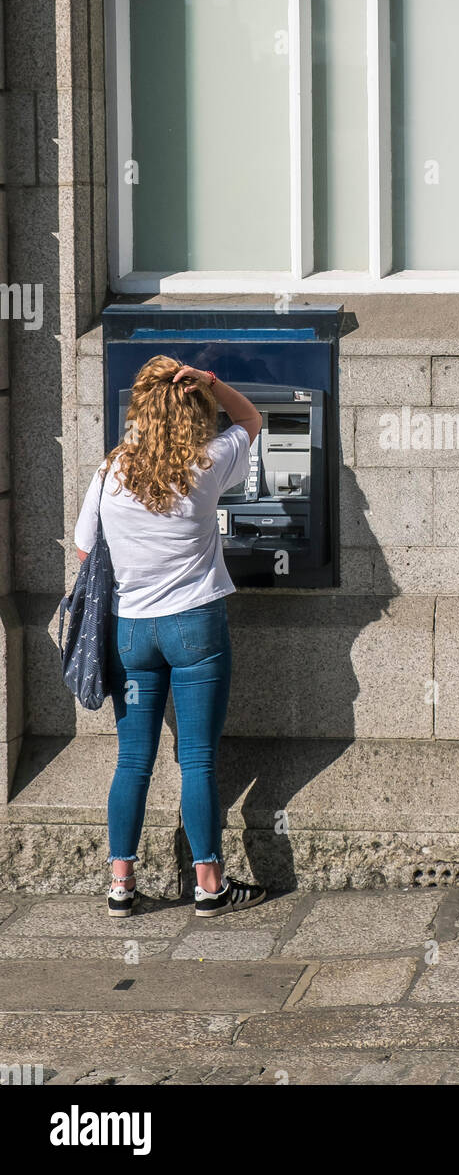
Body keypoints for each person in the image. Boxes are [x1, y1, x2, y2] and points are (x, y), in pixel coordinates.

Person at [73, 355, 267, 919]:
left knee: (133, 760)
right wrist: (210, 381)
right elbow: (251, 421)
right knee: (198, 758)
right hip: (194, 627)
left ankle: (121, 884)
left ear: (142, 410)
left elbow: (85, 549)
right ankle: (209, 886)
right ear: (192, 412)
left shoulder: (111, 471)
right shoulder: (207, 462)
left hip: (131, 633)